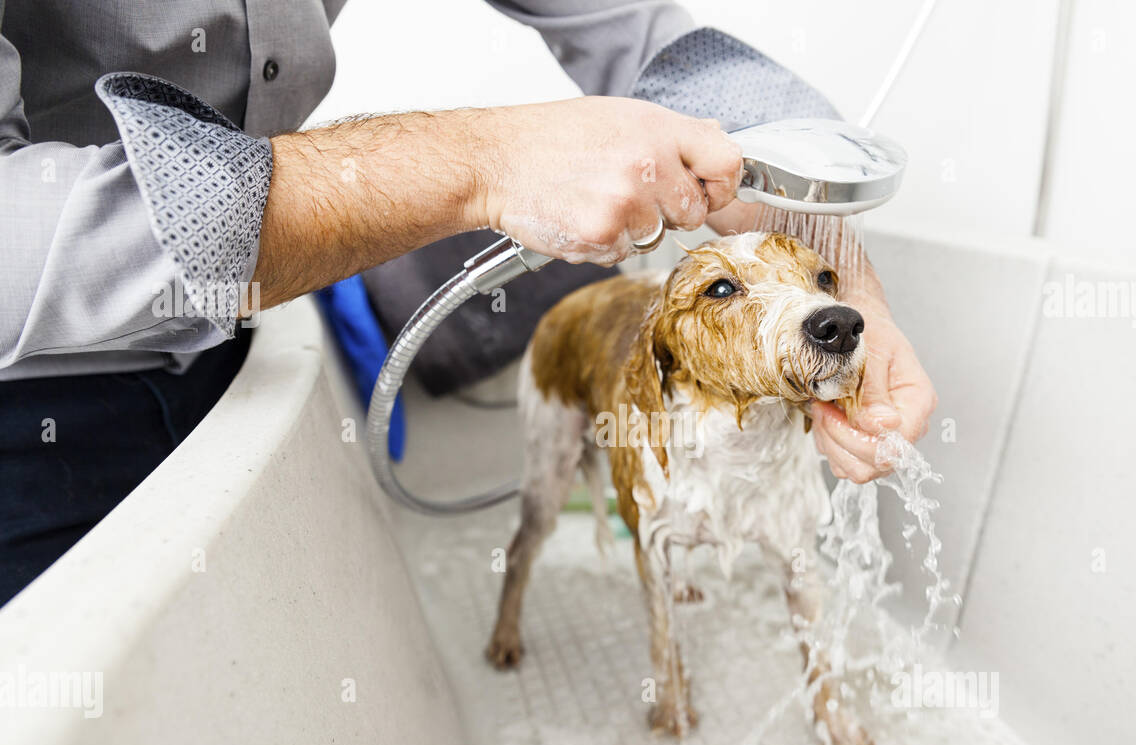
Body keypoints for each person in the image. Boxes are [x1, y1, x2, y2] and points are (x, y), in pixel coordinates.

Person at [0, 1, 935, 605]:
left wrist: (839, 270)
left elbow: (645, 31)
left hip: (233, 350)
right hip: (32, 408)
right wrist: (479, 161)